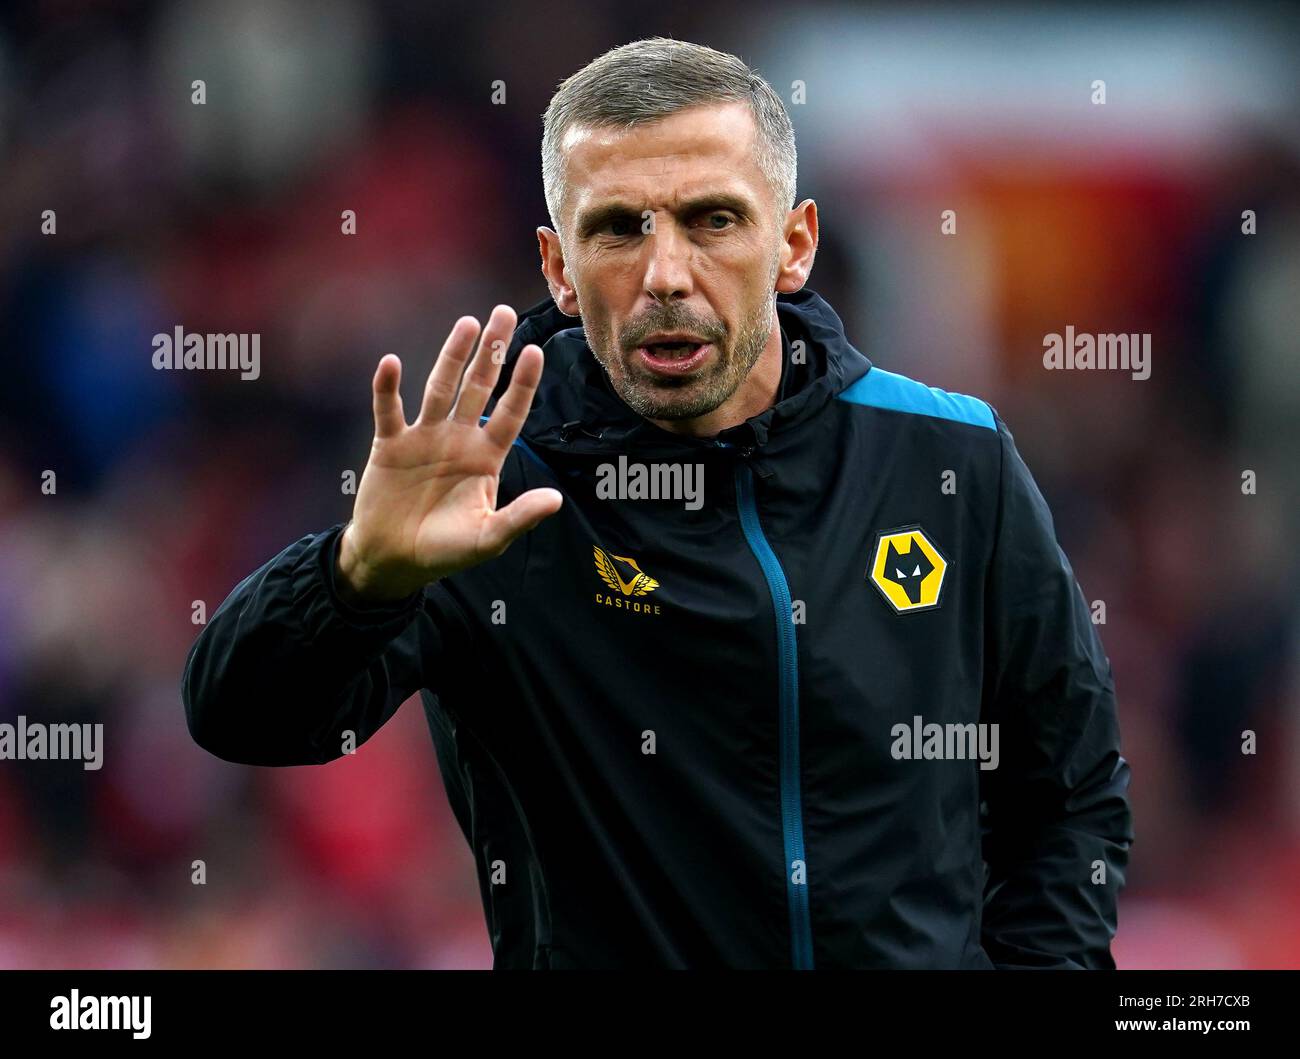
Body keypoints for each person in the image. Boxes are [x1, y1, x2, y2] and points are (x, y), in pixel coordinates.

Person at [182, 36, 1133, 969]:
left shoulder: (951, 460)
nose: (666, 274)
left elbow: (1070, 792)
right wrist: (353, 581)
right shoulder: (491, 494)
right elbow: (239, 720)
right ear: (558, 267)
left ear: (793, 244)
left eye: (712, 220)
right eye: (618, 228)